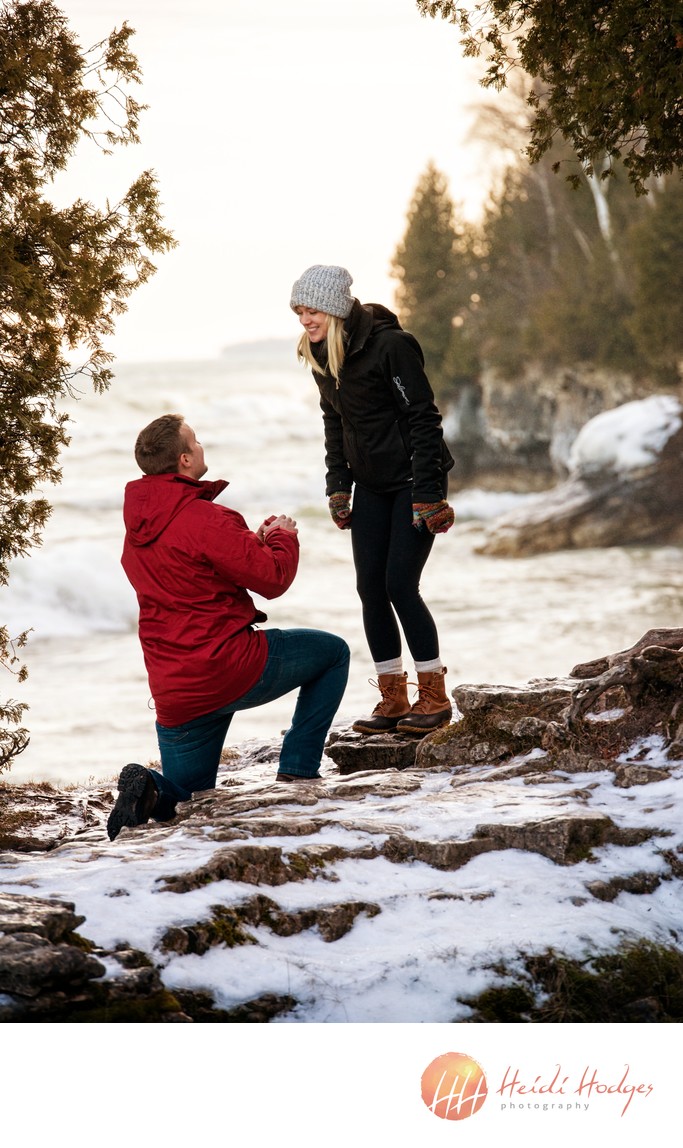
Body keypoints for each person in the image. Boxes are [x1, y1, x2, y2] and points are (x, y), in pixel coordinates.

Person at [106, 413, 350, 841]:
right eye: (195, 442)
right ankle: (297, 771)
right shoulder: (204, 518)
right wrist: (281, 537)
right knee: (333, 654)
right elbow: (273, 580)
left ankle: (149, 789)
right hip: (230, 666)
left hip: (175, 690)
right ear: (183, 460)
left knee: (187, 798)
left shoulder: (136, 533)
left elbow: (195, 574)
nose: (202, 447)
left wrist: (247, 542)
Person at [290, 264, 455, 738]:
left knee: (400, 585)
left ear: (337, 308)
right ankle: (393, 695)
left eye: (313, 309)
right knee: (370, 588)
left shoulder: (391, 346)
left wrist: (427, 494)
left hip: (412, 482)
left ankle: (434, 697)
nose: (305, 318)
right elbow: (334, 424)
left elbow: (424, 419)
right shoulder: (323, 354)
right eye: (300, 310)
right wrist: (338, 485)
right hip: (370, 486)